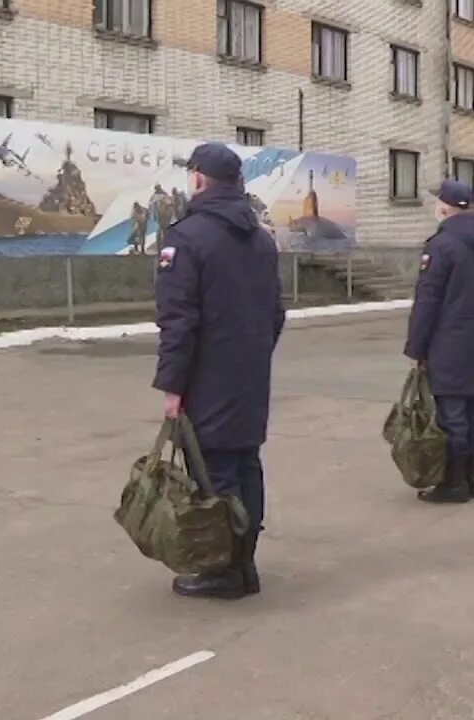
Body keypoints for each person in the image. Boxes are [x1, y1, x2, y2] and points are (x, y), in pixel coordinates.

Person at [153, 142, 286, 599]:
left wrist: (172, 384)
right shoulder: (261, 238)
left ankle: (224, 571)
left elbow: (178, 321)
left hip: (207, 377)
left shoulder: (187, 238)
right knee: (245, 464)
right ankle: (244, 563)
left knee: (214, 473)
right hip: (249, 374)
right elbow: (275, 313)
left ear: (198, 179)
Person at [404, 180, 474, 504]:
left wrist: (417, 347)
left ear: (446, 207)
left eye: (438, 202)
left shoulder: (441, 246)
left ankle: (454, 481)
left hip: (447, 341)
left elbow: (428, 301)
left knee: (451, 414)